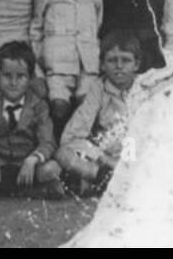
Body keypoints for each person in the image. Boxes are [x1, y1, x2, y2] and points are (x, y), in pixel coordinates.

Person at [0, 41, 62, 198]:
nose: (13, 82)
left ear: (30, 78)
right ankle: (26, 192)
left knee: (51, 169)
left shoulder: (39, 106)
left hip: (27, 167)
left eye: (21, 76)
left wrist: (33, 159)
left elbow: (48, 142)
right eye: (7, 76)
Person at [54, 30, 145, 196]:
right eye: (112, 60)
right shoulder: (98, 89)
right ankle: (105, 180)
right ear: (102, 64)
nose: (119, 66)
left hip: (139, 155)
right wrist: (104, 159)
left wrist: (128, 160)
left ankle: (122, 183)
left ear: (136, 65)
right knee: (64, 153)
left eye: (126, 60)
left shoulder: (145, 87)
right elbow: (71, 137)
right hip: (107, 160)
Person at [30, 0, 102, 130]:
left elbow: (98, 23)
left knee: (87, 105)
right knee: (59, 108)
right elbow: (35, 29)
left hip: (88, 63)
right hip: (56, 65)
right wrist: (38, 68)